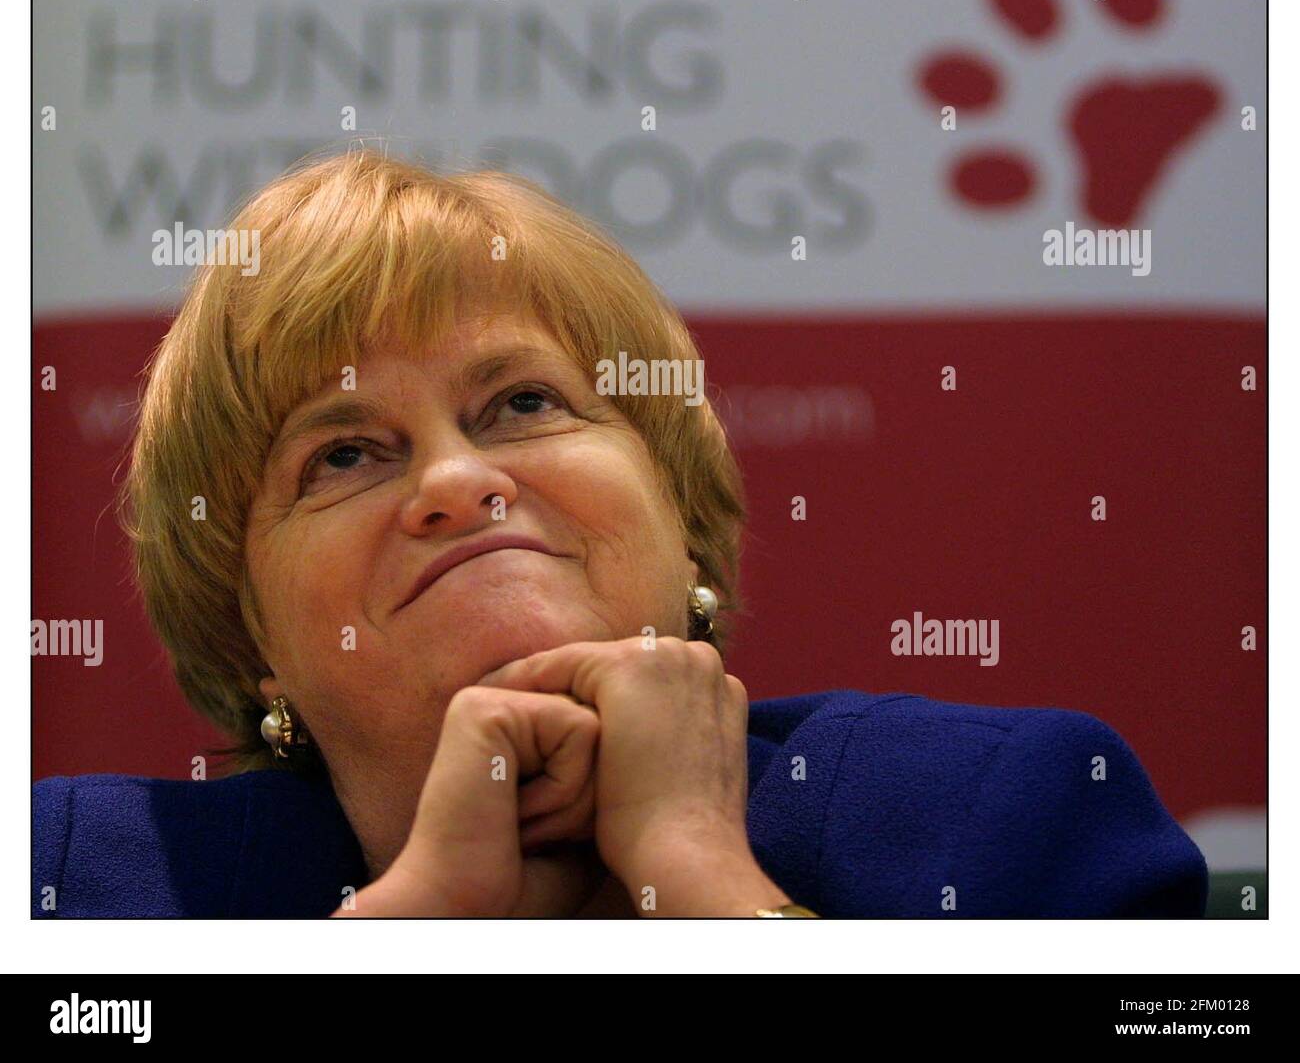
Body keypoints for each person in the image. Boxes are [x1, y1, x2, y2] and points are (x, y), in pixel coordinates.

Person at [32, 150, 1208, 919]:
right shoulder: (77, 886)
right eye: (342, 455)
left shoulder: (992, 812)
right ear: (253, 641)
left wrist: (699, 872)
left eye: (522, 402)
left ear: (680, 523)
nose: (456, 480)